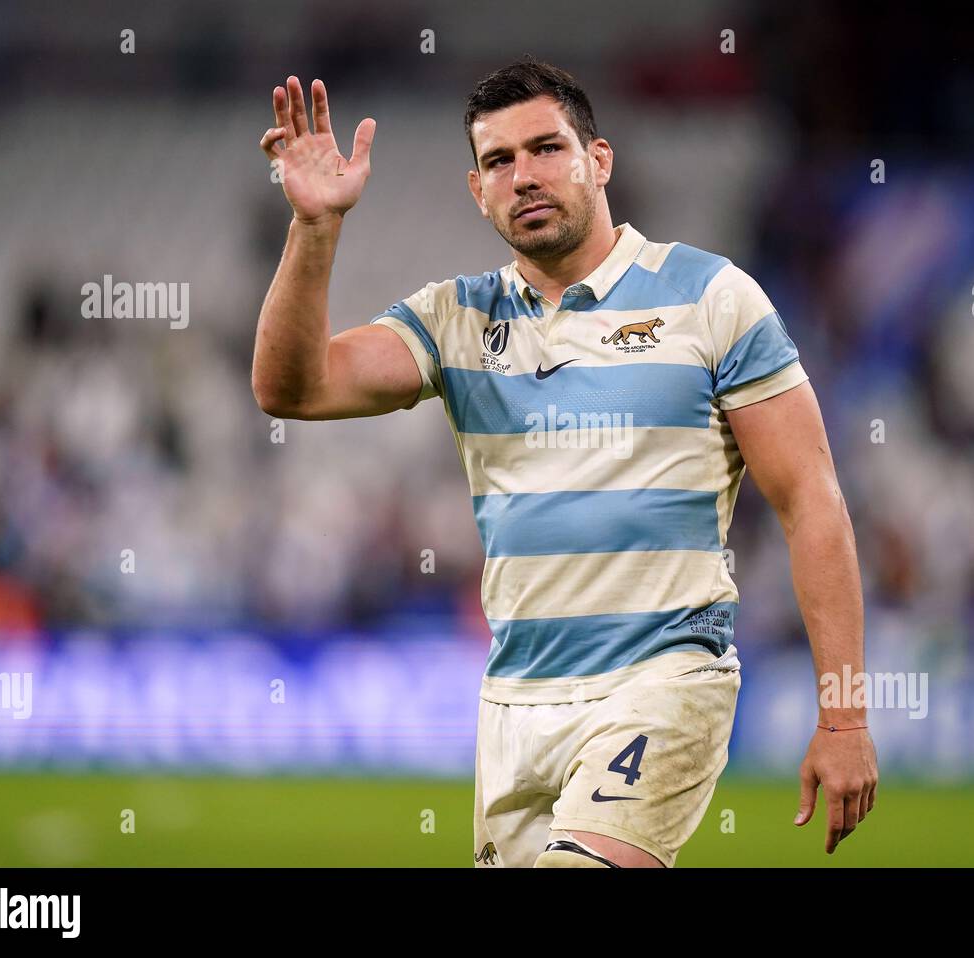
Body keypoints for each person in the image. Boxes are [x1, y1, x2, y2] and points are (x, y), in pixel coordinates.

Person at [252, 56, 876, 868]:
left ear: (599, 160)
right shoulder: (455, 317)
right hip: (516, 703)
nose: (525, 176)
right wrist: (316, 227)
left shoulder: (712, 299)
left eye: (547, 148)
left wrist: (844, 717)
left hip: (661, 680)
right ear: (477, 191)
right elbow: (291, 388)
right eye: (499, 161)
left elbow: (811, 501)